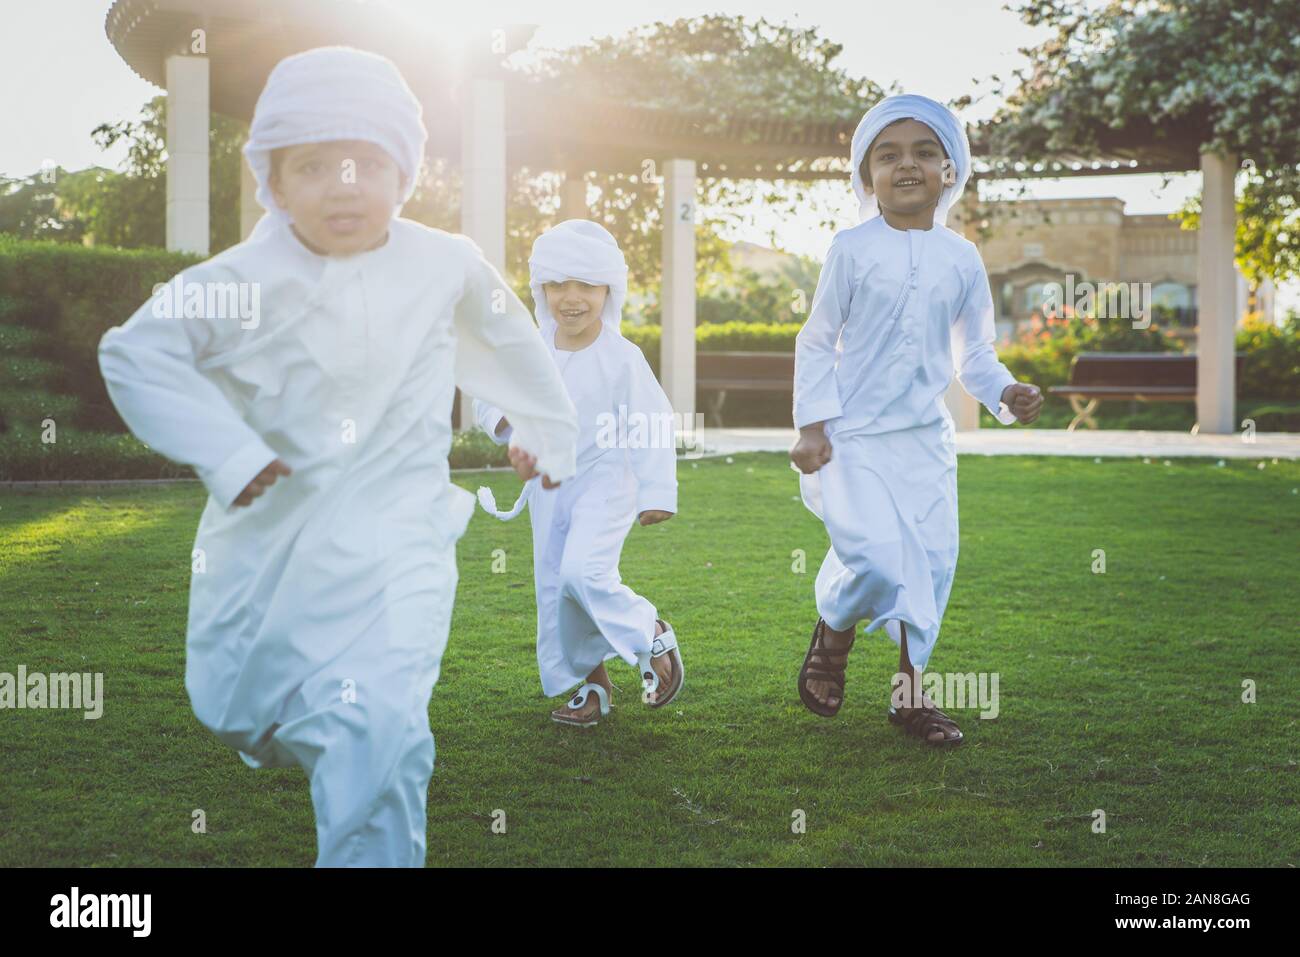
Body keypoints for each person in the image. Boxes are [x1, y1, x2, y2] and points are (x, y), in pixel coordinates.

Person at [97, 46, 578, 865]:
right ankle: (307, 718)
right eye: (314, 164)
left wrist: (541, 432)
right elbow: (135, 354)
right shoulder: (244, 277)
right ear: (274, 183)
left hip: (401, 538)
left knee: (382, 729)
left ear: (404, 172)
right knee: (236, 709)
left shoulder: (445, 261)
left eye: (366, 161)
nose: (345, 183)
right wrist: (228, 453)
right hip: (269, 537)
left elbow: (512, 343)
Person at [789, 93, 1043, 745]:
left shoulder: (961, 259)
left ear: (950, 169)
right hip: (854, 436)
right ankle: (833, 636)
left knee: (929, 566)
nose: (907, 166)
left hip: (925, 442)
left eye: (925, 152)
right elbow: (817, 340)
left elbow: (975, 353)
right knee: (874, 559)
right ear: (866, 175)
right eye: (888, 155)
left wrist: (1006, 390)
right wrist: (813, 424)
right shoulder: (850, 248)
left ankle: (911, 695)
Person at [473, 220, 683, 727]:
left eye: (586, 285)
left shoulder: (622, 358)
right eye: (558, 284)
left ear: (608, 290)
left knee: (581, 574)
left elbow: (652, 422)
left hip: (607, 480)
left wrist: (656, 491)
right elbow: (490, 395)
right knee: (555, 589)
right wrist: (514, 430)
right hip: (549, 486)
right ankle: (592, 688)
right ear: (540, 288)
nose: (572, 298)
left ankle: (649, 632)